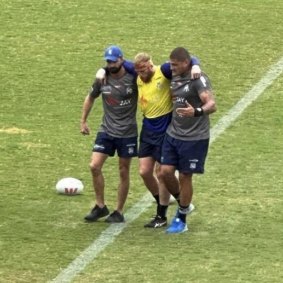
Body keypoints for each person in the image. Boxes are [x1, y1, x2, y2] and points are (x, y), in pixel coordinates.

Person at [96, 51, 201, 228]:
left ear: (150, 65)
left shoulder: (164, 71)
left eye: (144, 70)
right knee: (144, 172)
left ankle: (161, 215)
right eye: (138, 71)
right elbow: (116, 64)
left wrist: (196, 64)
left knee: (162, 173)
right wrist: (101, 70)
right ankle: (180, 201)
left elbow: (186, 60)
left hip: (165, 129)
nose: (141, 74)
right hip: (147, 128)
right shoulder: (135, 70)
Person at [159, 47, 217, 234]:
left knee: (185, 176)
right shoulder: (174, 72)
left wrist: (196, 111)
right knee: (165, 172)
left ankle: (181, 219)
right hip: (173, 134)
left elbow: (211, 105)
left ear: (186, 63)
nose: (171, 67)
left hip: (194, 138)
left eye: (175, 64)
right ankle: (184, 203)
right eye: (171, 64)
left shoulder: (198, 79)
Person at [80, 45, 138, 223]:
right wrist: (83, 121)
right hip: (107, 130)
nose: (111, 64)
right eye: (108, 61)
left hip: (127, 132)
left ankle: (119, 211)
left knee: (123, 170)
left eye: (114, 61)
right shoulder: (102, 79)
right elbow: (90, 98)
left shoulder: (133, 78)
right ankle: (100, 206)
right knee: (94, 166)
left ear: (122, 60)